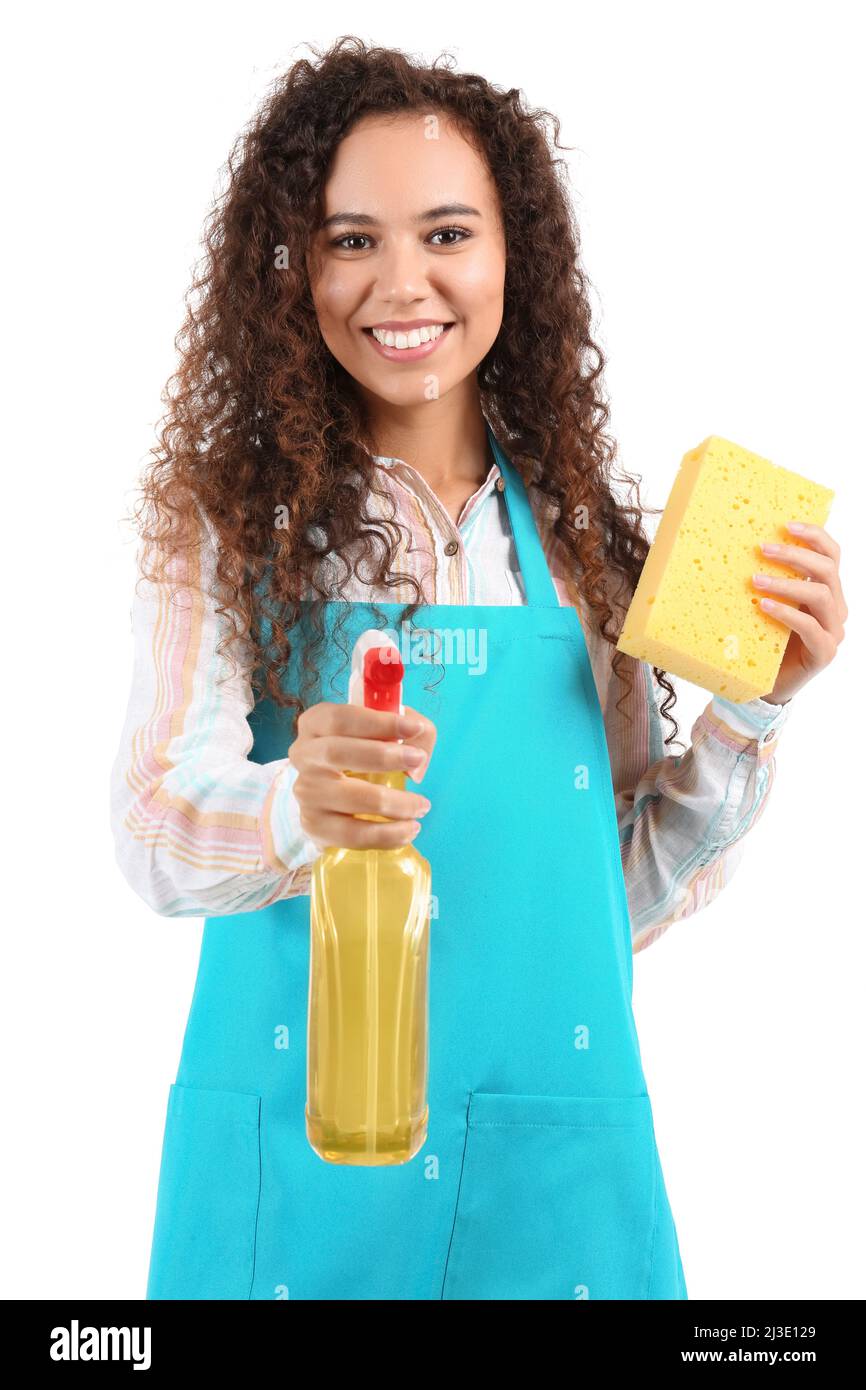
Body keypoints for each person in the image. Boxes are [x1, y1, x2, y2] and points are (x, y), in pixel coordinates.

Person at [109, 36, 845, 1301]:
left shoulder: (581, 546)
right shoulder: (227, 520)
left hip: (547, 1181)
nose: (402, 283)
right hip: (298, 1177)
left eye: (446, 233)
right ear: (291, 270)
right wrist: (297, 808)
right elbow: (153, 822)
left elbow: (606, 900)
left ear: (515, 257)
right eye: (351, 240)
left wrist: (747, 706)